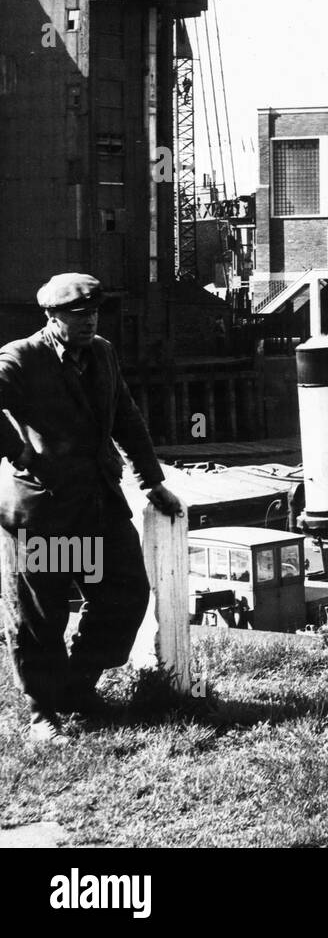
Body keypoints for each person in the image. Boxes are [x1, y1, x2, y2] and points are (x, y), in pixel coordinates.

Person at [0, 274, 183, 745]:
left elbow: (125, 414)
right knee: (43, 613)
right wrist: (15, 450)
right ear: (51, 316)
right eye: (78, 315)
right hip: (49, 510)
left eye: (95, 313)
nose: (90, 321)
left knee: (125, 594)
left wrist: (152, 480)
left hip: (99, 502)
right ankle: (43, 713)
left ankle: (76, 687)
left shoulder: (101, 352)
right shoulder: (21, 357)